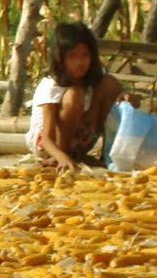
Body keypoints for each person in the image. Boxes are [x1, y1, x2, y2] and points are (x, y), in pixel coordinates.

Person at [25, 21, 132, 170]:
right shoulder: (51, 85)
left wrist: (126, 96)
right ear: (60, 58)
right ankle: (64, 156)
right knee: (74, 94)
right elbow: (47, 138)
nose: (80, 62)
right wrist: (61, 157)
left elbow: (123, 94)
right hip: (48, 146)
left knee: (109, 83)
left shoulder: (94, 76)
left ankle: (107, 155)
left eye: (85, 55)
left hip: (78, 138)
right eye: (72, 56)